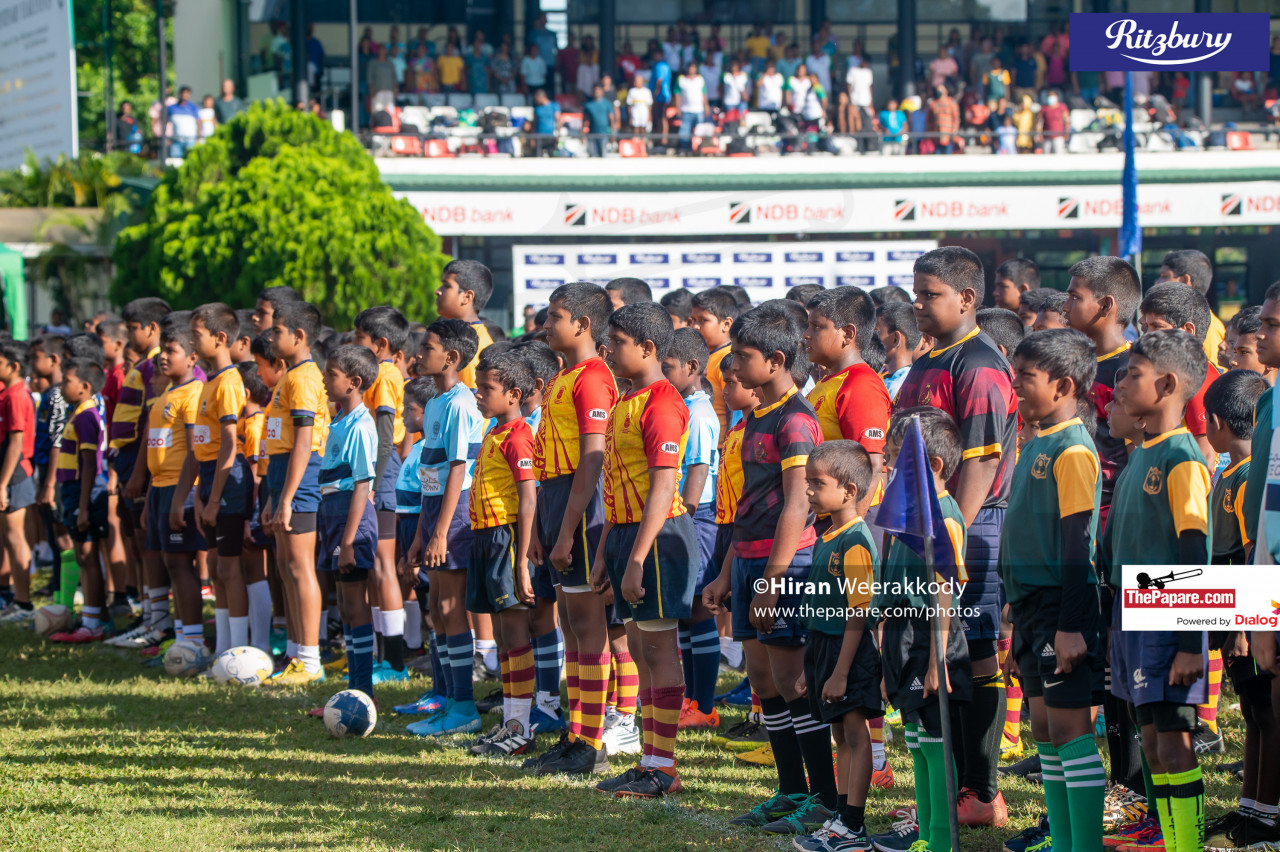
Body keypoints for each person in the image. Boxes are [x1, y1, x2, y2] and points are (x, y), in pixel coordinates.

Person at [703, 302, 835, 835]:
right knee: (764, 681)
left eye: (743, 356)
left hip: (786, 564)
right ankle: (790, 790)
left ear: (776, 360)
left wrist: (774, 581)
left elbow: (796, 506)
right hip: (749, 558)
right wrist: (725, 572)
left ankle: (822, 798)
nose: (733, 365)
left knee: (793, 681)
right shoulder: (755, 415)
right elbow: (747, 506)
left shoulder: (797, 420)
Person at [896, 246, 1016, 826]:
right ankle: (949, 784)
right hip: (923, 531)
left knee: (974, 653)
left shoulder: (980, 365)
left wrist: (952, 539)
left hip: (970, 527)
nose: (917, 305)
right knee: (934, 654)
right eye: (915, 294)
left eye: (930, 295)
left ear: (967, 299)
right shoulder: (929, 359)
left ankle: (982, 791)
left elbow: (981, 463)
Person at [1000, 329, 1107, 852]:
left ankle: (1083, 844)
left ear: (1063, 386)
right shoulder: (1037, 438)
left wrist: (1069, 625)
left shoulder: (1072, 450)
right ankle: (1063, 841)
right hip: (1031, 607)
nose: (1015, 386)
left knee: (1069, 731)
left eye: (1026, 378)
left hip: (1060, 609)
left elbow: (1076, 550)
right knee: (1043, 730)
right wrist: (1013, 612)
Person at [1104, 329, 1210, 852]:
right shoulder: (1138, 455)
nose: (1120, 383)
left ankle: (1187, 844)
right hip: (1131, 619)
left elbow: (1196, 549)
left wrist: (1193, 640)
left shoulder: (1182, 458)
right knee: (1149, 739)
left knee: (1173, 742)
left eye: (1132, 374)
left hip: (1167, 619)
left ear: (1167, 384)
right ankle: (1167, 838)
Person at [589, 303, 697, 798]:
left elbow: (661, 487)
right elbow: (616, 484)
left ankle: (664, 766)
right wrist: (605, 552)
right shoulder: (627, 400)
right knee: (638, 648)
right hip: (627, 538)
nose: (609, 350)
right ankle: (650, 760)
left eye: (618, 342)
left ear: (648, 348)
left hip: (657, 541)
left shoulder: (662, 402)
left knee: (658, 649)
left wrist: (635, 558)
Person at [523, 283, 618, 773]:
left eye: (555, 317)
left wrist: (566, 529)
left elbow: (593, 459)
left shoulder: (594, 378)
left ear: (581, 324)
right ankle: (576, 731)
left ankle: (591, 742)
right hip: (558, 499)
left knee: (588, 628)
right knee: (570, 625)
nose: (546, 325)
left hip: (581, 505)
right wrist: (544, 523)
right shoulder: (566, 375)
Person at [871, 407, 971, 852]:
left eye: (898, 459)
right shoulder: (907, 518)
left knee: (934, 741)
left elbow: (946, 592)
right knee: (915, 738)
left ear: (932, 466)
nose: (889, 468)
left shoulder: (944, 516)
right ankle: (926, 833)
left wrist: (936, 662)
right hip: (901, 637)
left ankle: (941, 839)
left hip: (930, 639)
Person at [791, 440, 883, 851]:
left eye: (817, 483)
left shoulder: (856, 541)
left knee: (854, 732)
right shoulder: (827, 533)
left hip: (850, 651)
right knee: (840, 736)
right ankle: (842, 818)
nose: (808, 490)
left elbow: (859, 612)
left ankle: (854, 824)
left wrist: (841, 671)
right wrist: (813, 669)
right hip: (825, 648)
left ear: (849, 490)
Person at [406, 320, 485, 737]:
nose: (419, 353)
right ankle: (446, 699)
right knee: (437, 606)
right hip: (434, 509)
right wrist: (423, 531)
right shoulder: (436, 402)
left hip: (455, 514)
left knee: (452, 608)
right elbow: (430, 474)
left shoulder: (459, 404)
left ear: (451, 358)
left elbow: (458, 468)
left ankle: (463, 706)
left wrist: (440, 532)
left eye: (427, 347)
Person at [463, 346, 539, 756]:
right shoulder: (494, 431)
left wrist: (524, 561)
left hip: (507, 539)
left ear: (513, 394)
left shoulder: (520, 435)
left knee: (515, 636)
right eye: (477, 387)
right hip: (485, 537)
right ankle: (510, 720)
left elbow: (529, 499)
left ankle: (521, 727)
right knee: (506, 640)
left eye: (486, 388)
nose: (478, 394)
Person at [262, 301, 330, 685]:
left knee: (301, 567)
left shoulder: (304, 377)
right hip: (282, 476)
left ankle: (310, 659)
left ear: (298, 336)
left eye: (277, 331)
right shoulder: (289, 377)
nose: (272, 337)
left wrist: (287, 496)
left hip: (300, 479)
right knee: (286, 568)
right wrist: (275, 495)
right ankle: (293, 652)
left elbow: (304, 441)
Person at [659, 329, 721, 729]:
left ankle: (704, 704)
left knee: (699, 609)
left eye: (668, 368)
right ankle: (691, 699)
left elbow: (698, 468)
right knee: (686, 612)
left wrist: (685, 513)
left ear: (692, 368)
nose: (662, 375)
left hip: (694, 515)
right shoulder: (682, 405)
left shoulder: (698, 412)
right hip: (683, 512)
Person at [317, 345, 381, 703]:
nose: (325, 381)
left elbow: (361, 485)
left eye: (331, 375)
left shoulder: (361, 424)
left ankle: (362, 691)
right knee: (344, 602)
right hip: (333, 513)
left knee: (356, 606)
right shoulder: (339, 421)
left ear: (354, 382)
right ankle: (353, 687)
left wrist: (349, 538)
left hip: (350, 519)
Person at [353, 306, 412, 683]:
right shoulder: (379, 373)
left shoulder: (387, 375)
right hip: (376, 474)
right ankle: (381, 655)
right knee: (375, 569)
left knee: (383, 565)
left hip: (383, 475)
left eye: (358, 338)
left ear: (380, 344)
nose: (352, 344)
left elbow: (387, 433)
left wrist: (375, 481)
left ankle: (395, 661)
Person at [190, 304, 251, 657]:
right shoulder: (208, 380)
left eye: (197, 335)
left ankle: (237, 650)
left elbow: (229, 442)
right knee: (215, 566)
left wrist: (214, 499)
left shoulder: (229, 382)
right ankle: (223, 647)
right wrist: (202, 493)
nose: (192, 342)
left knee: (229, 567)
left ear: (220, 337)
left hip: (227, 478)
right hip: (209, 475)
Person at [803, 288, 891, 521]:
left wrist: (850, 531)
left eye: (817, 326)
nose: (806, 334)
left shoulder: (860, 384)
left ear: (848, 333)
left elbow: (871, 465)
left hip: (854, 517)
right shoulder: (829, 382)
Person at [46, 359, 110, 643]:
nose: (61, 387)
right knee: (83, 556)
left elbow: (89, 466)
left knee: (87, 556)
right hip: (73, 491)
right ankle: (90, 619)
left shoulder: (87, 417)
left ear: (85, 387)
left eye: (66, 382)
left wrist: (83, 507)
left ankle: (93, 622)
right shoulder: (78, 412)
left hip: (84, 491)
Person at [1138, 283, 1221, 468]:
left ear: (1188, 331)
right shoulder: (1171, 373)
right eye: (1145, 328)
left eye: (1157, 327)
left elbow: (1205, 453)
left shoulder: (1197, 376)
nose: (1148, 336)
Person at [0, 341, 37, 623]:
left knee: (15, 537)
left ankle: (24, 603)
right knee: (8, 538)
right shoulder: (8, 393)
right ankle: (16, 597)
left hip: (15, 473)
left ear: (13, 366)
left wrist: (2, 484)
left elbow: (16, 442)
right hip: (8, 472)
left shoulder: (16, 396)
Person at [1158, 250, 1226, 369]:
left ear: (1185, 280)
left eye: (1165, 276)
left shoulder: (1211, 328)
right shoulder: (1180, 320)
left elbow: (1210, 375)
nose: (1158, 282)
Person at [689, 288, 740, 441]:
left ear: (726, 324)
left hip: (719, 446)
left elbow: (733, 407)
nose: (696, 326)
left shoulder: (728, 359)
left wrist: (728, 445)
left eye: (703, 320)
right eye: (694, 320)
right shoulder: (706, 356)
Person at [435, 260, 494, 388]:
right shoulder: (458, 336)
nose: (438, 291)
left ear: (467, 297)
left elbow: (472, 402)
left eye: (446, 286)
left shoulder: (474, 345)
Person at [876, 302, 930, 403]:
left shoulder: (902, 385)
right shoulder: (886, 379)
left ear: (896, 338)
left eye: (876, 332)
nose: (871, 340)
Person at [676, 62, 707, 149]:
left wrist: (706, 106)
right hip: (686, 110)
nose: (691, 70)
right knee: (685, 131)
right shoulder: (681, 79)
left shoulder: (700, 79)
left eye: (693, 68)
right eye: (690, 68)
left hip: (699, 110)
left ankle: (698, 149)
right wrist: (678, 108)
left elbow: (704, 94)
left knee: (699, 132)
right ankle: (686, 149)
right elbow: (677, 94)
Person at [583, 83, 616, 157]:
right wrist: (582, 135)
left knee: (604, 156)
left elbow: (611, 119)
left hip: (604, 134)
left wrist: (613, 133)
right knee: (593, 156)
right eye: (595, 90)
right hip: (592, 135)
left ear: (602, 91)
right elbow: (584, 120)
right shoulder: (588, 105)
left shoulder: (607, 103)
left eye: (598, 90)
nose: (597, 92)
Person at [927, 85, 960, 155]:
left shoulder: (952, 103)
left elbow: (956, 119)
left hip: (949, 136)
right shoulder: (933, 104)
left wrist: (954, 131)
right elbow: (929, 121)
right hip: (937, 137)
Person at [367, 45, 399, 115]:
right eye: (380, 50)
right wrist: (372, 89)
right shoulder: (373, 63)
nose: (382, 52)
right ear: (378, 51)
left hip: (389, 91)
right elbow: (370, 78)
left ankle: (390, 125)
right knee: (377, 110)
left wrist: (396, 89)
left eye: (383, 50)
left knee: (390, 111)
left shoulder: (390, 63)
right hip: (377, 91)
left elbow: (394, 77)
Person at [626, 74, 654, 138]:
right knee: (636, 127)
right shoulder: (631, 91)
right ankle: (636, 141)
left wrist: (650, 117)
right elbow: (629, 106)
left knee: (643, 127)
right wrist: (630, 117)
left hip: (644, 111)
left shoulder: (647, 91)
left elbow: (649, 106)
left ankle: (643, 142)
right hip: (635, 111)